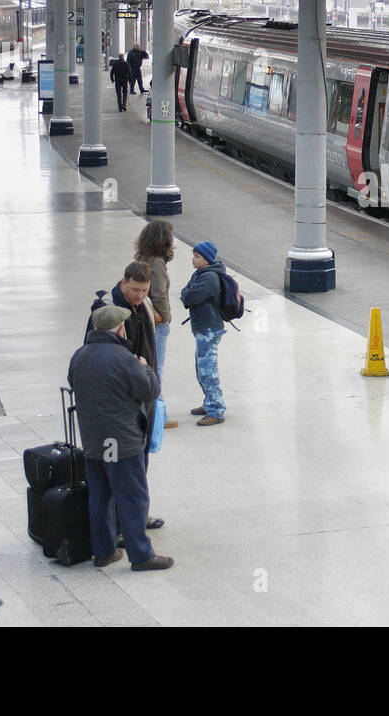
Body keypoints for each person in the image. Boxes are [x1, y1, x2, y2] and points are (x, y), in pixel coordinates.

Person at [67, 304, 173, 572]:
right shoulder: (124, 358)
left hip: (94, 439)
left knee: (100, 495)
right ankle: (140, 554)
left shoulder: (79, 356)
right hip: (121, 441)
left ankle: (103, 551)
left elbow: (74, 382)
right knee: (132, 496)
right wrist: (146, 368)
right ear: (119, 328)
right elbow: (149, 390)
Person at [180, 241, 228, 425]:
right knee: (202, 369)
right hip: (203, 327)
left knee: (208, 370)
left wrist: (187, 294)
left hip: (208, 328)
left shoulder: (208, 278)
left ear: (207, 259)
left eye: (197, 256)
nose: (193, 259)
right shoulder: (200, 274)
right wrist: (187, 294)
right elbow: (186, 293)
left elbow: (190, 296)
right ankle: (210, 403)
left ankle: (216, 409)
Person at [135, 221, 177, 429]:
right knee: (156, 366)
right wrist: (167, 317)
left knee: (148, 363)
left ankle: (150, 411)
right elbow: (159, 293)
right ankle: (160, 415)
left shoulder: (143, 258)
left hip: (144, 319)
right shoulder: (158, 263)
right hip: (157, 321)